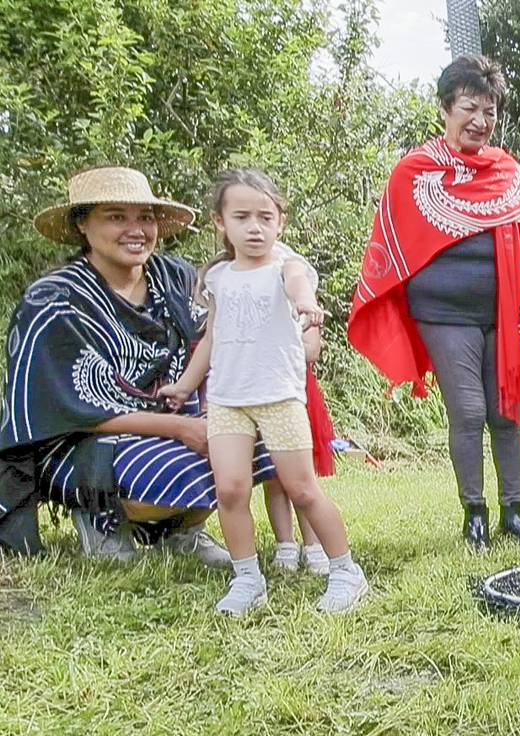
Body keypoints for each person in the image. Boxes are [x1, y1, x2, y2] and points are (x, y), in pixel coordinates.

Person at [349, 54, 520, 551]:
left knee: (506, 411)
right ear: (445, 109)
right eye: (469, 108)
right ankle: (474, 515)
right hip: (443, 311)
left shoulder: (507, 171)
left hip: (504, 310)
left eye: (490, 111)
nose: (480, 121)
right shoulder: (415, 172)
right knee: (469, 410)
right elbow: (392, 244)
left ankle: (514, 515)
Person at [0, 165, 276, 563]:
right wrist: (181, 428)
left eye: (145, 217)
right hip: (87, 440)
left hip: (179, 420)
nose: (136, 229)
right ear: (83, 225)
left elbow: (222, 343)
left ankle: (181, 529)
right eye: (116, 217)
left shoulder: (177, 278)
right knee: (180, 465)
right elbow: (66, 409)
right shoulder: (55, 300)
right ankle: (99, 516)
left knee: (261, 445)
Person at [159, 169, 368, 616]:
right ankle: (247, 579)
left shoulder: (286, 267)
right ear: (220, 222)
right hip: (227, 401)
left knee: (302, 488)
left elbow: (298, 285)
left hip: (278, 397)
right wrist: (184, 385)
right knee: (231, 490)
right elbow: (212, 339)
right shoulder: (217, 278)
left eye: (265, 217)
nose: (255, 227)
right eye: (242, 217)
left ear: (280, 223)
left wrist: (306, 304)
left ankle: (346, 571)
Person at [264, 361, 336, 576]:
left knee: (302, 479)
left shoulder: (304, 324)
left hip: (296, 392)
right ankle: (285, 544)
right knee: (273, 477)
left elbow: (312, 349)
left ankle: (313, 544)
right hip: (262, 394)